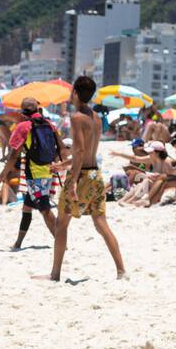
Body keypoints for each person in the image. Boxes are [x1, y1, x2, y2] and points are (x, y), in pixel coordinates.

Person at [51, 76, 125, 282]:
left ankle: (55, 274)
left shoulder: (76, 118)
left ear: (75, 92)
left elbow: (81, 150)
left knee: (61, 224)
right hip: (95, 175)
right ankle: (121, 270)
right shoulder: (96, 118)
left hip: (81, 176)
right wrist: (63, 165)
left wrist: (72, 180)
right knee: (101, 223)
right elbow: (86, 152)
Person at [1, 97, 58, 250]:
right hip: (48, 171)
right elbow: (60, 149)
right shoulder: (49, 124)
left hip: (34, 173)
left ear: (22, 111)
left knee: (45, 209)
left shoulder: (24, 126)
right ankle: (18, 242)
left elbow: (14, 154)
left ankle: (61, 241)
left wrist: (3, 174)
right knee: (27, 207)